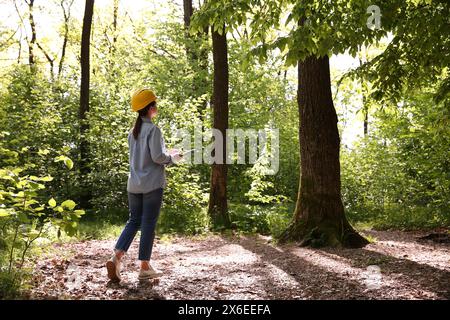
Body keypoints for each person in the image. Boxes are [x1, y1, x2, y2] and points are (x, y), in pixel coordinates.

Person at [106, 89, 182, 282]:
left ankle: (116, 257)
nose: (156, 106)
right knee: (148, 223)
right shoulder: (154, 130)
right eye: (154, 104)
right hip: (151, 185)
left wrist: (167, 153)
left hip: (134, 184)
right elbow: (157, 157)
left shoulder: (133, 132)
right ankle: (144, 267)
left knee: (134, 221)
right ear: (149, 108)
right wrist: (172, 158)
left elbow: (148, 155)